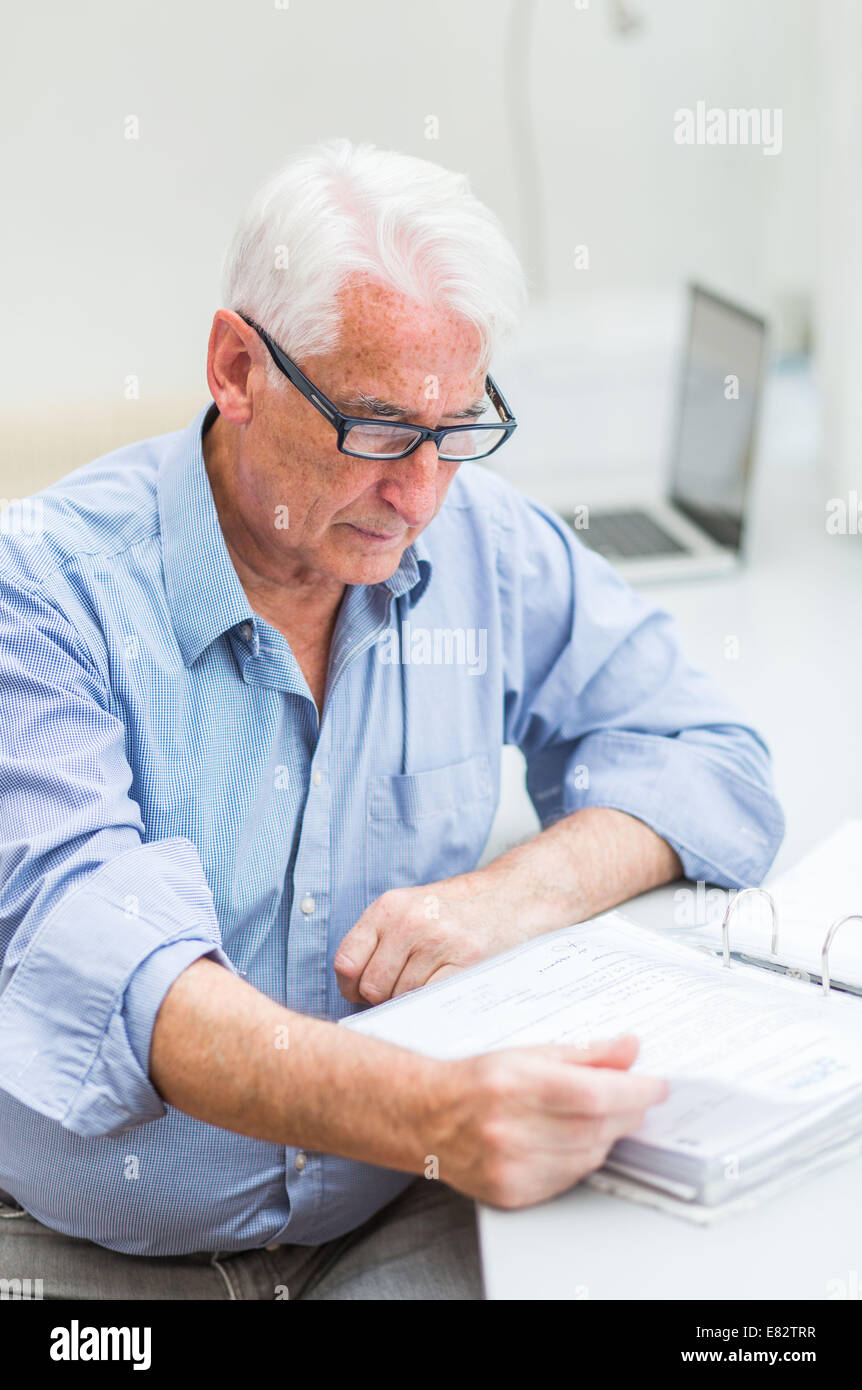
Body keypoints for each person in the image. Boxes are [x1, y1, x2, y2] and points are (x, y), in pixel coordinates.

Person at [0, 138, 784, 1300]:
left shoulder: (479, 544)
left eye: (456, 429)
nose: (418, 494)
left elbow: (713, 762)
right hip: (92, 1250)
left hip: (392, 1221)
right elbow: (127, 988)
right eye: (374, 429)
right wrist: (436, 1111)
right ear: (235, 367)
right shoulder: (42, 592)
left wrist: (510, 894)